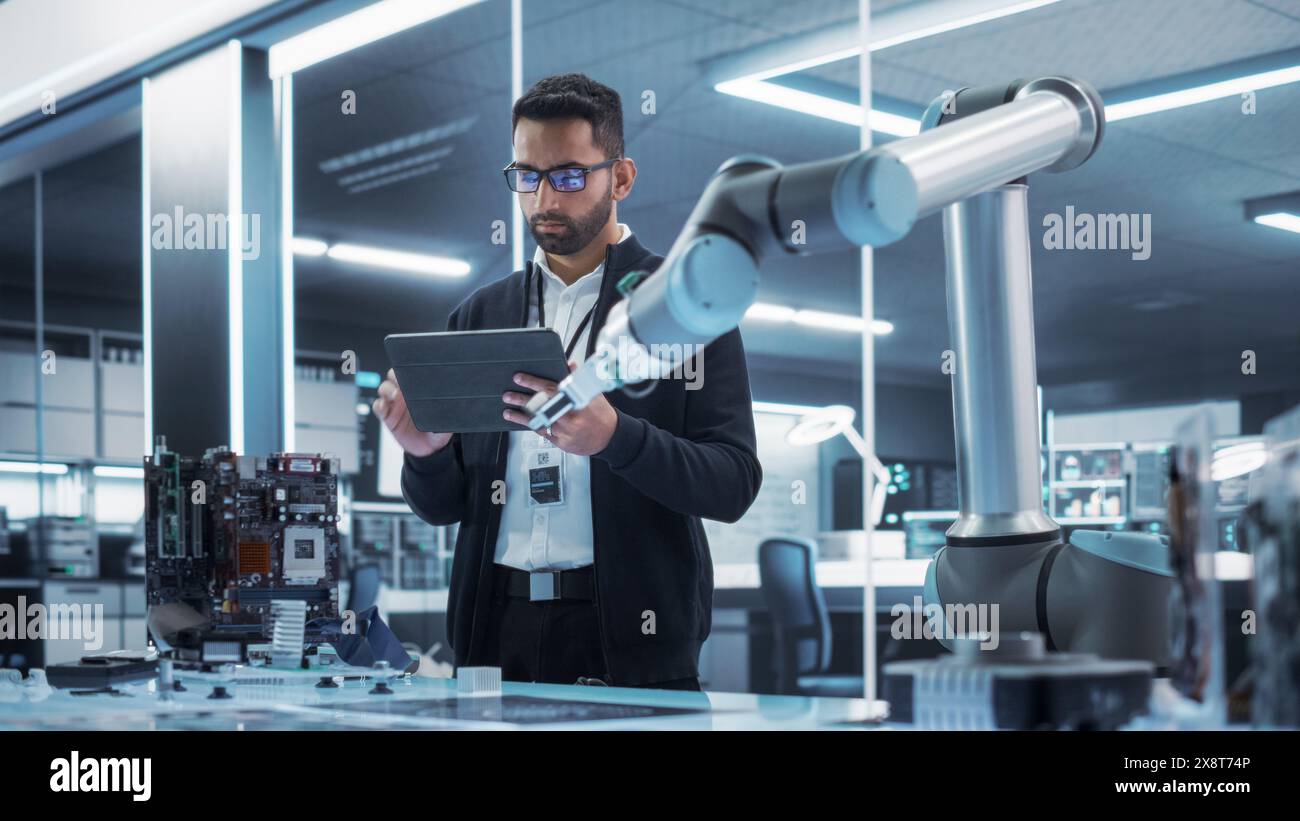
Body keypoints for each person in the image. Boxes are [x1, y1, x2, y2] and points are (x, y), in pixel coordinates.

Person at [374, 73, 761, 690]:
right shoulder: (480, 316)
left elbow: (733, 483)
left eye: (569, 176)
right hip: (495, 632)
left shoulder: (685, 304)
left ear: (622, 178)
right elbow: (445, 508)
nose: (544, 200)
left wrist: (615, 437)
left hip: (629, 638)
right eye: (527, 176)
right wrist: (426, 457)